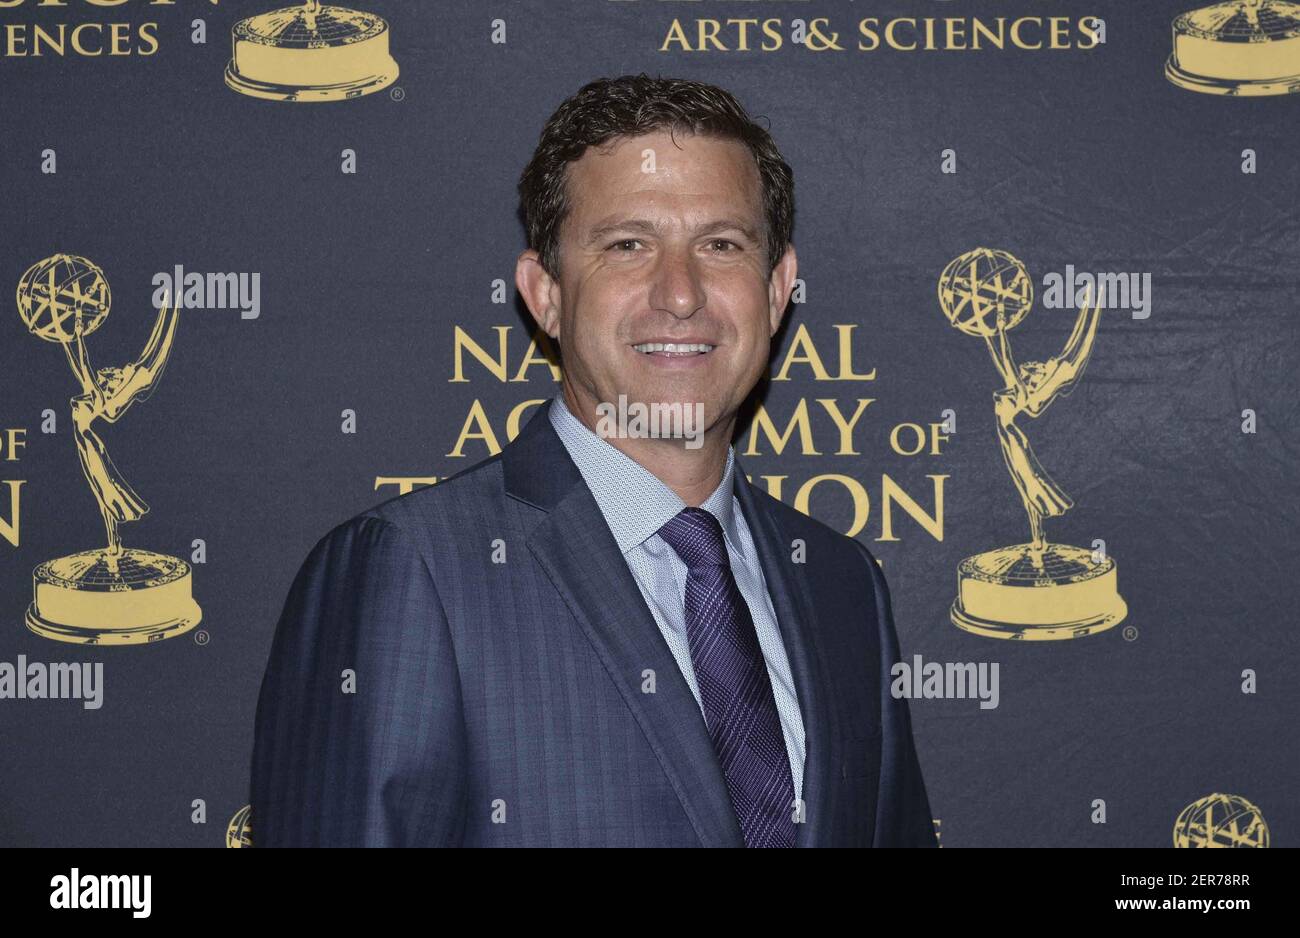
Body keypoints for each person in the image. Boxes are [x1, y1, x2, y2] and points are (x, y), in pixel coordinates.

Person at [251, 74, 936, 847]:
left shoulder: (842, 585)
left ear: (777, 290)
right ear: (544, 293)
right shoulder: (412, 571)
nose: (679, 294)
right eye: (627, 245)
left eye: (720, 244)